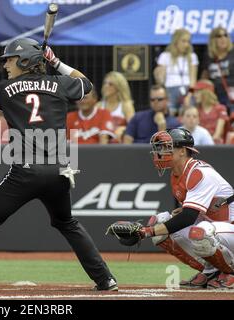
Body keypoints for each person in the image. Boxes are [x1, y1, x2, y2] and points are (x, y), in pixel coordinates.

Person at [0, 38, 117, 293]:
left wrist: (41, 70)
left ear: (25, 60)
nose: (6, 65)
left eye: (9, 59)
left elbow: (4, 109)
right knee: (67, 223)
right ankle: (105, 279)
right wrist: (56, 62)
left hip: (26, 173)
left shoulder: (3, 89)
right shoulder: (59, 83)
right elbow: (86, 85)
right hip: (58, 172)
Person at [127, 128, 234, 289]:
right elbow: (188, 215)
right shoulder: (177, 174)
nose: (160, 152)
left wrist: (146, 232)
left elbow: (188, 217)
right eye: (160, 148)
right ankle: (210, 271)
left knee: (201, 232)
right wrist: (150, 229)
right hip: (220, 231)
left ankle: (230, 273)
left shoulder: (198, 172)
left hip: (229, 227)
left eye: (166, 147)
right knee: (161, 221)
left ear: (183, 151)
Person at [154, 28, 198, 115]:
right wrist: (158, 75)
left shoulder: (192, 57)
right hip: (170, 90)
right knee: (171, 117)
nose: (186, 44)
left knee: (188, 115)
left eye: (188, 41)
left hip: (187, 90)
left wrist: (189, 95)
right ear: (176, 41)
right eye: (183, 41)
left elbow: (193, 80)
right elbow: (161, 81)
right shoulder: (165, 56)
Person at [201, 27, 234, 113]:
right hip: (216, 98)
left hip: (231, 95)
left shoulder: (232, 54)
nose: (223, 38)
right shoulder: (209, 57)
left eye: (225, 35)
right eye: (219, 36)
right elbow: (204, 78)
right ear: (213, 40)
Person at [95, 71, 134, 141]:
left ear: (118, 87)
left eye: (110, 84)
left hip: (119, 144)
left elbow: (133, 126)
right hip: (101, 143)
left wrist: (123, 128)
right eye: (105, 83)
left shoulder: (126, 105)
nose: (106, 86)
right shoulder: (99, 105)